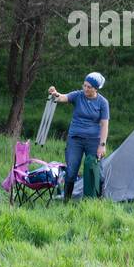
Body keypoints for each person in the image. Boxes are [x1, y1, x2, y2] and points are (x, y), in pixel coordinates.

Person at [49, 73, 110, 202]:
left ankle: (98, 200)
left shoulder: (103, 103)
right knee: (71, 172)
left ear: (96, 89)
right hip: (75, 139)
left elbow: (104, 125)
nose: (85, 89)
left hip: (93, 141)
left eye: (89, 87)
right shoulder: (78, 95)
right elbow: (63, 97)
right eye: (85, 85)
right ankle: (66, 200)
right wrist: (55, 94)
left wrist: (102, 145)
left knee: (96, 171)